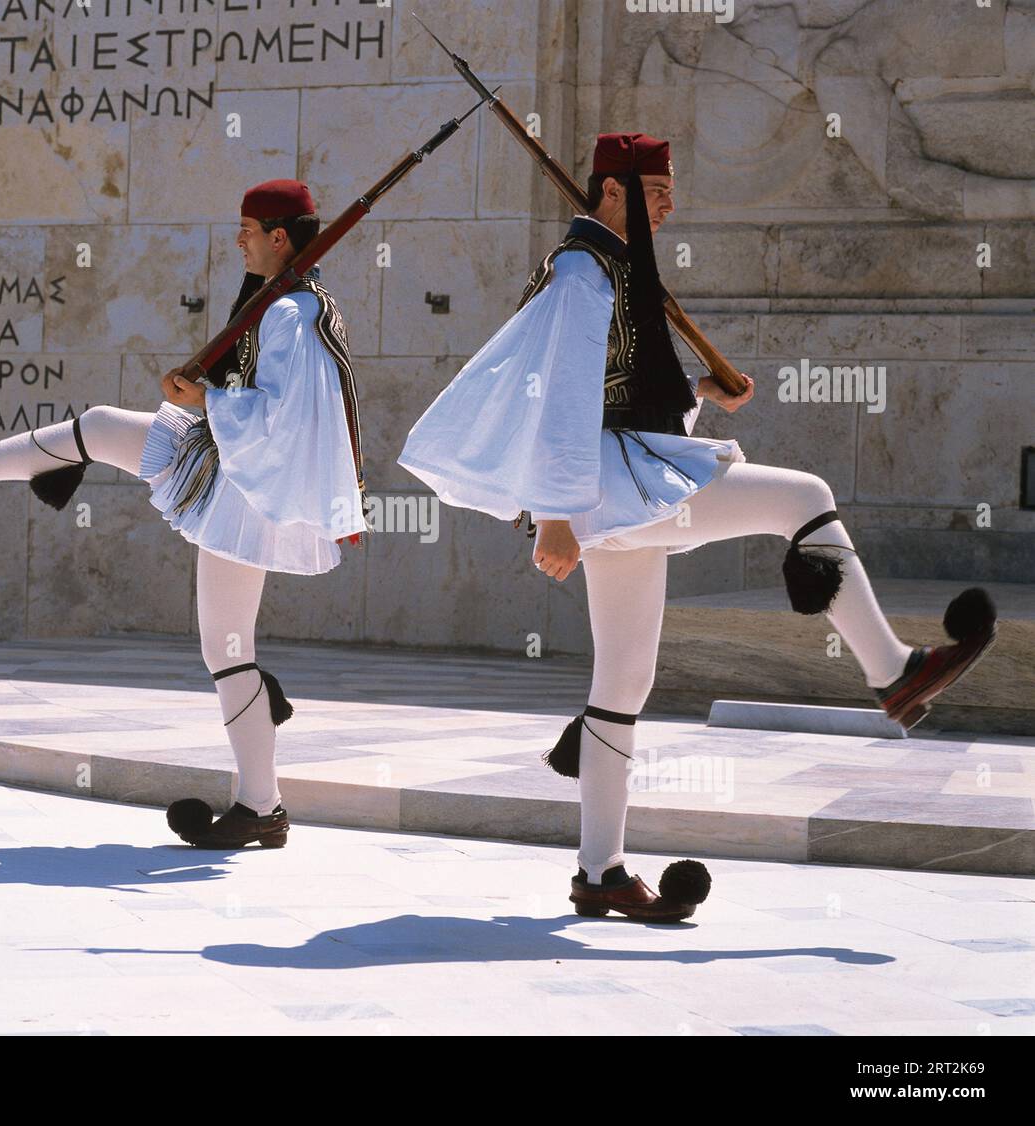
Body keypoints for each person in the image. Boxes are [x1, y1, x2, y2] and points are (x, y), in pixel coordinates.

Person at [398, 133, 997, 922]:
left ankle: (599, 873)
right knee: (803, 496)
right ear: (610, 192)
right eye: (655, 189)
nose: (671, 203)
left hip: (613, 484)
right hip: (607, 486)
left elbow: (622, 388)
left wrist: (699, 391)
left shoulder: (614, 264)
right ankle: (893, 672)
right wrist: (554, 518)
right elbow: (558, 397)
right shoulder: (583, 270)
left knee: (621, 686)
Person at [0, 179, 369, 850]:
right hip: (234, 464)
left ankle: (262, 806)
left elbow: (283, 418)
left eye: (248, 227)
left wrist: (205, 400)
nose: (237, 238)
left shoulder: (290, 314)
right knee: (97, 426)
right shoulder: (287, 303)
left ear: (280, 237)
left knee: (228, 648)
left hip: (250, 487)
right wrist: (207, 401)